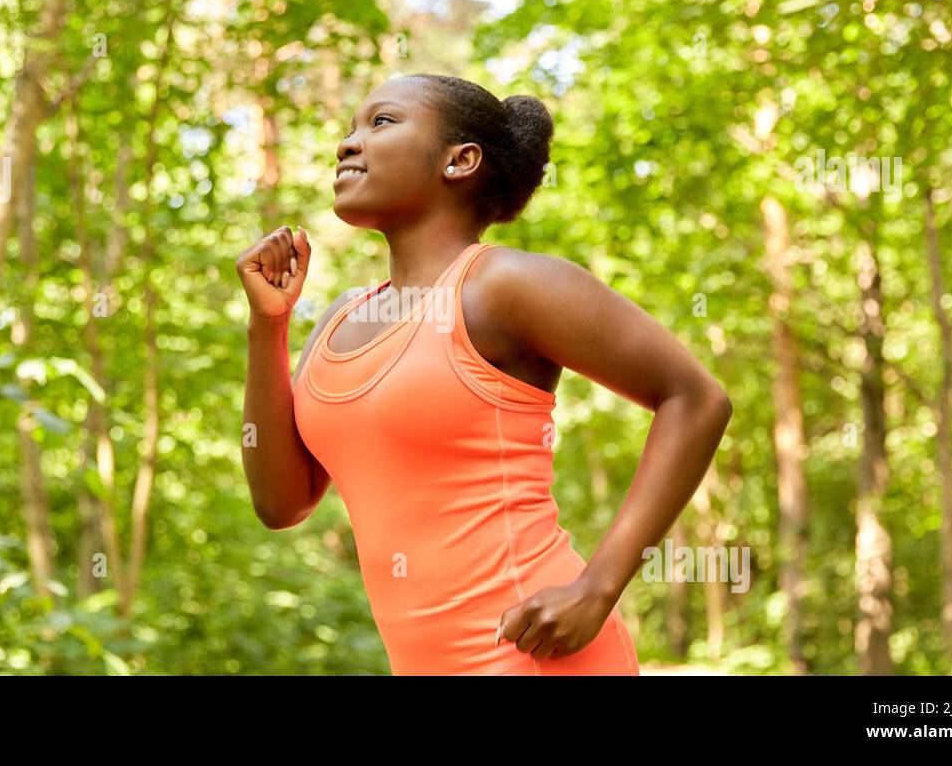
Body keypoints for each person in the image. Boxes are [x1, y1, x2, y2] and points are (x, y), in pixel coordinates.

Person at [236, 73, 732, 675]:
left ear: (460, 160)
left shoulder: (504, 286)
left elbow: (695, 398)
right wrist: (268, 326)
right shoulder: (340, 320)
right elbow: (281, 504)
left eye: (381, 122)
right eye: (349, 129)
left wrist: (598, 588)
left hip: (539, 657)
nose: (347, 143)